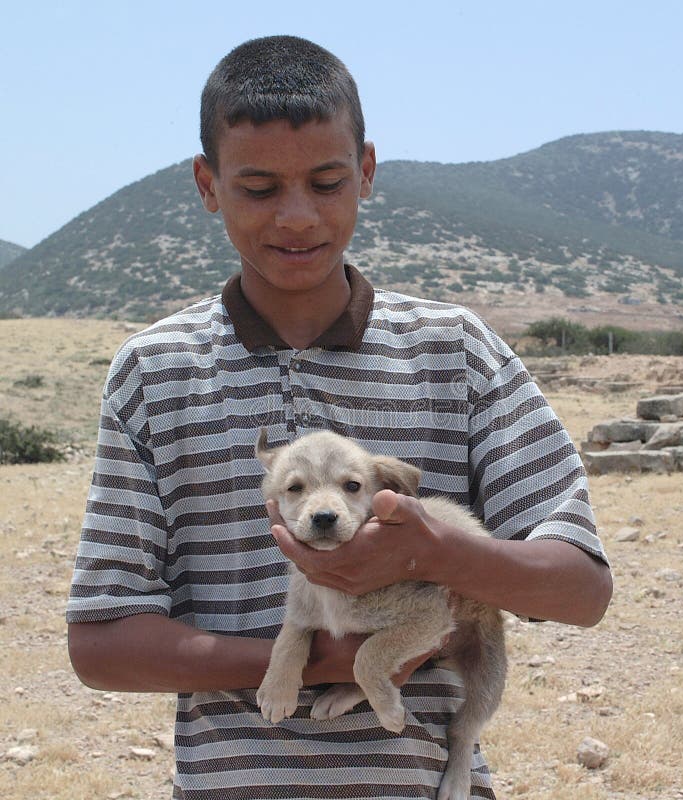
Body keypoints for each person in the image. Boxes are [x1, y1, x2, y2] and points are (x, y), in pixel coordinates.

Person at [67, 35, 612, 800]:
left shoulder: (454, 351)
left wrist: (437, 555)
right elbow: (102, 644)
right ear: (207, 184)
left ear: (366, 172)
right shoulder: (155, 373)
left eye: (326, 182)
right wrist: (310, 660)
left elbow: (581, 589)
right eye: (258, 188)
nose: (296, 217)